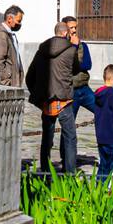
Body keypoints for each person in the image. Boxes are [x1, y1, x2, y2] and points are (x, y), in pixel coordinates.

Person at [26, 22, 79, 175]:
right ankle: (70, 173)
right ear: (64, 33)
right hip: (63, 98)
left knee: (47, 136)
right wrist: (75, 47)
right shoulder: (70, 49)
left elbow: (30, 75)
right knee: (70, 136)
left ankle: (44, 169)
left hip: (46, 99)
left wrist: (37, 93)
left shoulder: (42, 49)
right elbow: (76, 69)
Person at [64, 15, 97, 121]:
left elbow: (88, 65)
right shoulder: (61, 46)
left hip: (84, 88)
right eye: (71, 28)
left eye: (75, 27)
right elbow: (68, 67)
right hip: (70, 92)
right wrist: (74, 47)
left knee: (102, 111)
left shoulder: (83, 45)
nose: (74, 31)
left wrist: (77, 65)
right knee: (69, 125)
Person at [0, 5, 25, 87]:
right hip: (7, 86)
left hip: (12, 84)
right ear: (9, 19)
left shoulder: (9, 34)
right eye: (18, 21)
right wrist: (7, 81)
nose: (20, 24)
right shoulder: (1, 35)